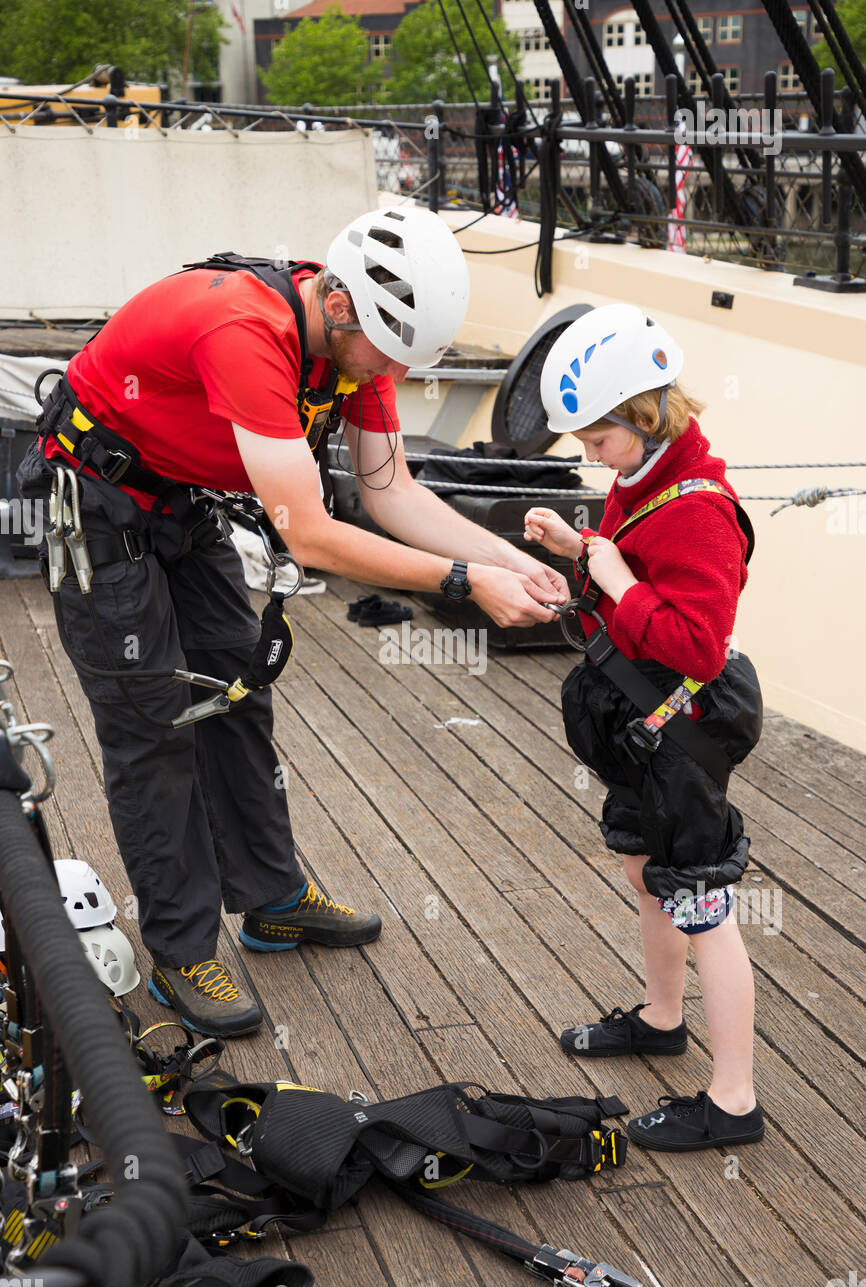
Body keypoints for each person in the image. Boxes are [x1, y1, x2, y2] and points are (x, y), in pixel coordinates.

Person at [19, 206, 568, 1038]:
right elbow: (309, 532)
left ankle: (272, 898)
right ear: (340, 305)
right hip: (95, 501)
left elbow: (393, 495)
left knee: (235, 690)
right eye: (390, 354)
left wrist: (509, 559)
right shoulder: (244, 331)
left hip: (174, 498)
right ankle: (180, 950)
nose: (393, 372)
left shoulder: (362, 344)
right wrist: (464, 582)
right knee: (152, 726)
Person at [525, 302, 764, 1152]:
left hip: (681, 723)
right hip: (640, 720)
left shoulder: (697, 503)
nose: (591, 456)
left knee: (704, 902)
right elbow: (635, 568)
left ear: (643, 413)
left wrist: (614, 572)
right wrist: (580, 545)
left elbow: (697, 641)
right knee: (646, 870)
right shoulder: (645, 476)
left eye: (598, 440)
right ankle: (665, 1019)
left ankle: (734, 1100)